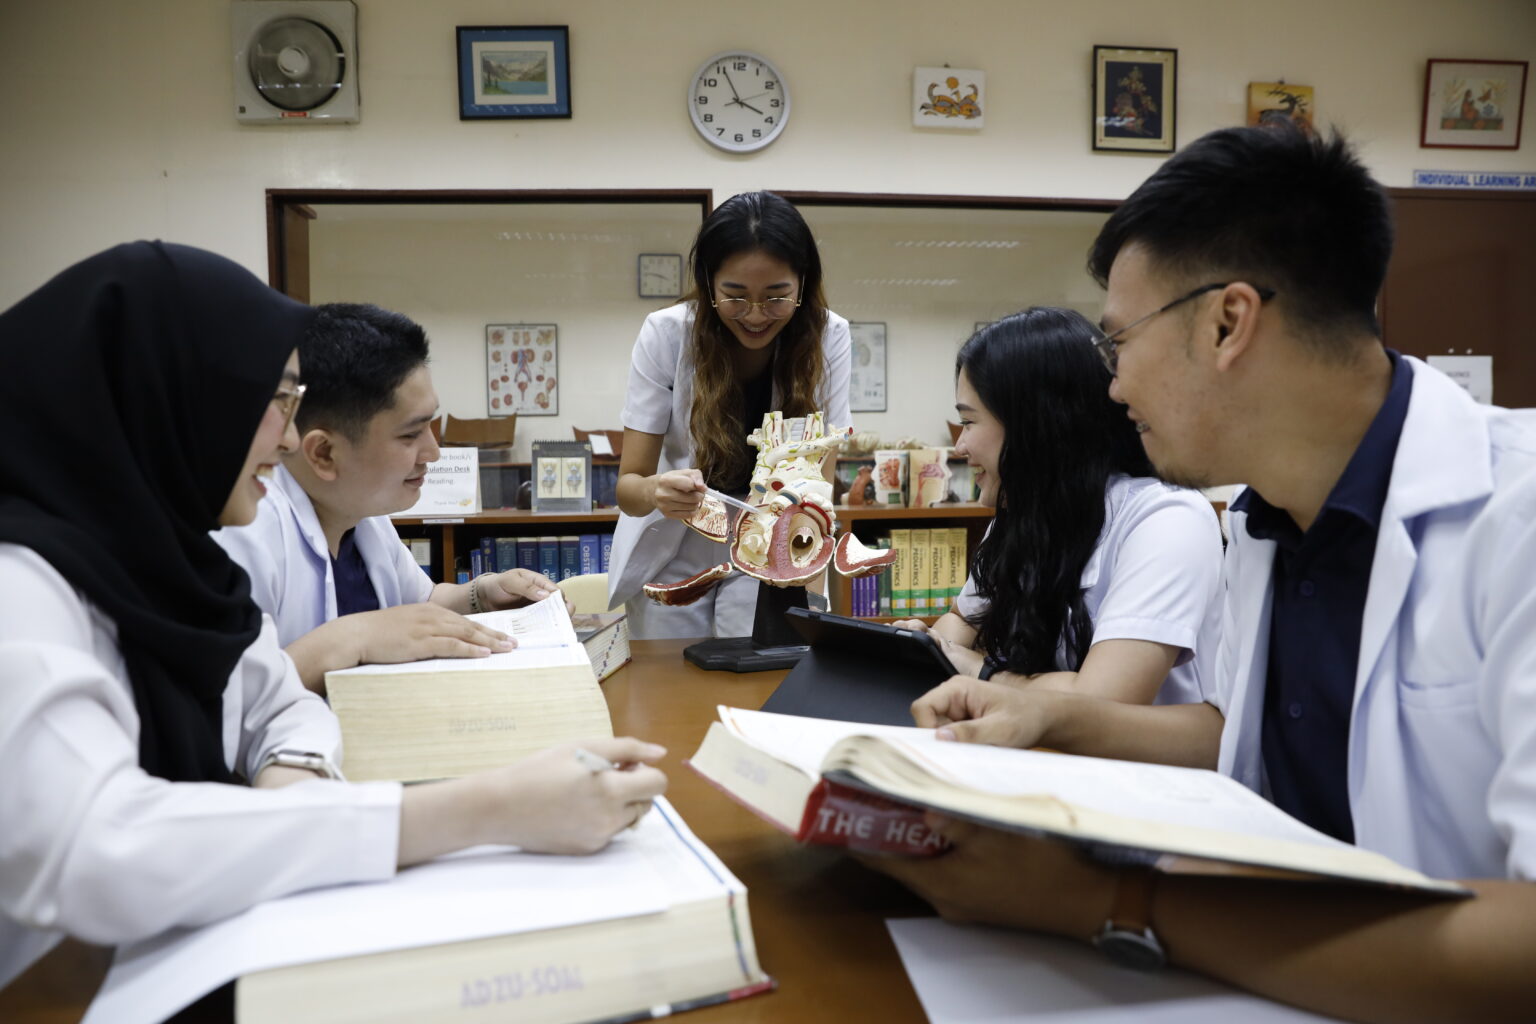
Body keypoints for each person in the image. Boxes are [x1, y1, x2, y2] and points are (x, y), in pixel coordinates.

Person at [872, 124, 1536, 1021]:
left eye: (1120, 343)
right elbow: (1236, 734)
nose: (1112, 390)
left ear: (1228, 323)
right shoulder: (1265, 521)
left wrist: (1101, 903)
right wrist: (1052, 715)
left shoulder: (1516, 516)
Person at [0, 243, 666, 991]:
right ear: (167, 402)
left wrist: (294, 782)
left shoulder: (173, 557)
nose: (287, 438)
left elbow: (275, 708)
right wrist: (490, 808)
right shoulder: (20, 584)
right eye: (276, 401)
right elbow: (96, 853)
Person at [215, 302, 563, 694]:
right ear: (324, 454)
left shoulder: (359, 511)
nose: (433, 452)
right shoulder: (244, 533)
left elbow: (420, 603)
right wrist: (352, 638)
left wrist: (482, 594)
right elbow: (225, 696)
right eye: (410, 434)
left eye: (431, 426)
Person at [891, 308, 1223, 709]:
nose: (959, 446)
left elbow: (1104, 701)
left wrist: (971, 666)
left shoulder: (1166, 521)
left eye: (970, 422)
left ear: (1036, 426)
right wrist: (925, 645)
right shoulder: (1024, 514)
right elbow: (963, 620)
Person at [610, 191, 851, 638]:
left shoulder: (828, 337)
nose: (755, 316)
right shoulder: (666, 335)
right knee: (670, 675)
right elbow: (629, 488)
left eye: (776, 297)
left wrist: (811, 576)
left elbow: (819, 487)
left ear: (802, 283)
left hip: (771, 541)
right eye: (735, 296)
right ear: (708, 283)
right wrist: (657, 491)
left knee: (762, 671)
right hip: (677, 544)